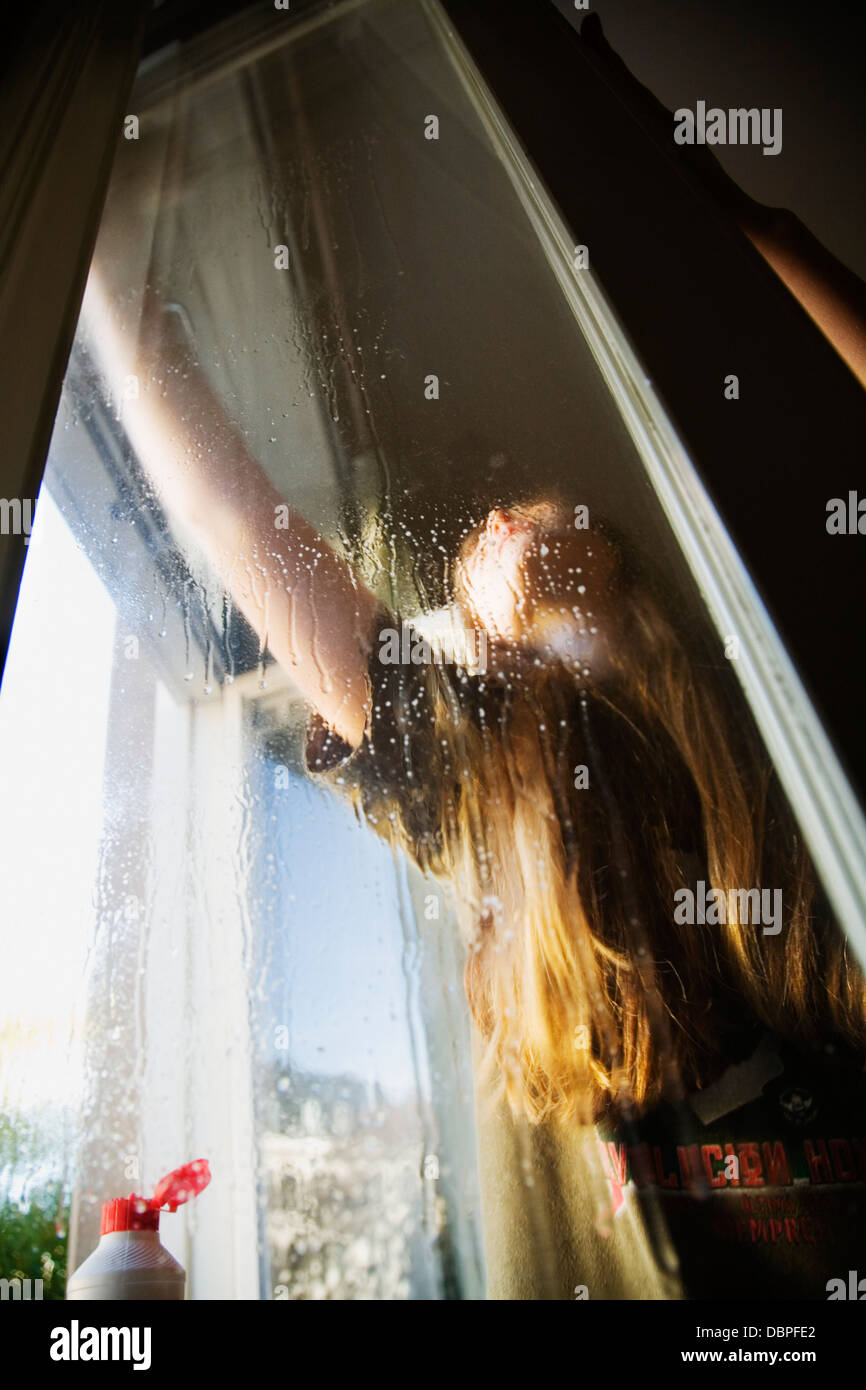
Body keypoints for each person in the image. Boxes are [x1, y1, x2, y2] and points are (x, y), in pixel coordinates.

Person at [80, 73, 866, 1293]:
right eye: (483, 535)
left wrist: (752, 228)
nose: (495, 510)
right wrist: (118, 297)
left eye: (519, 510)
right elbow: (260, 548)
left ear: (629, 572)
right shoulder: (506, 783)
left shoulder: (791, 715)